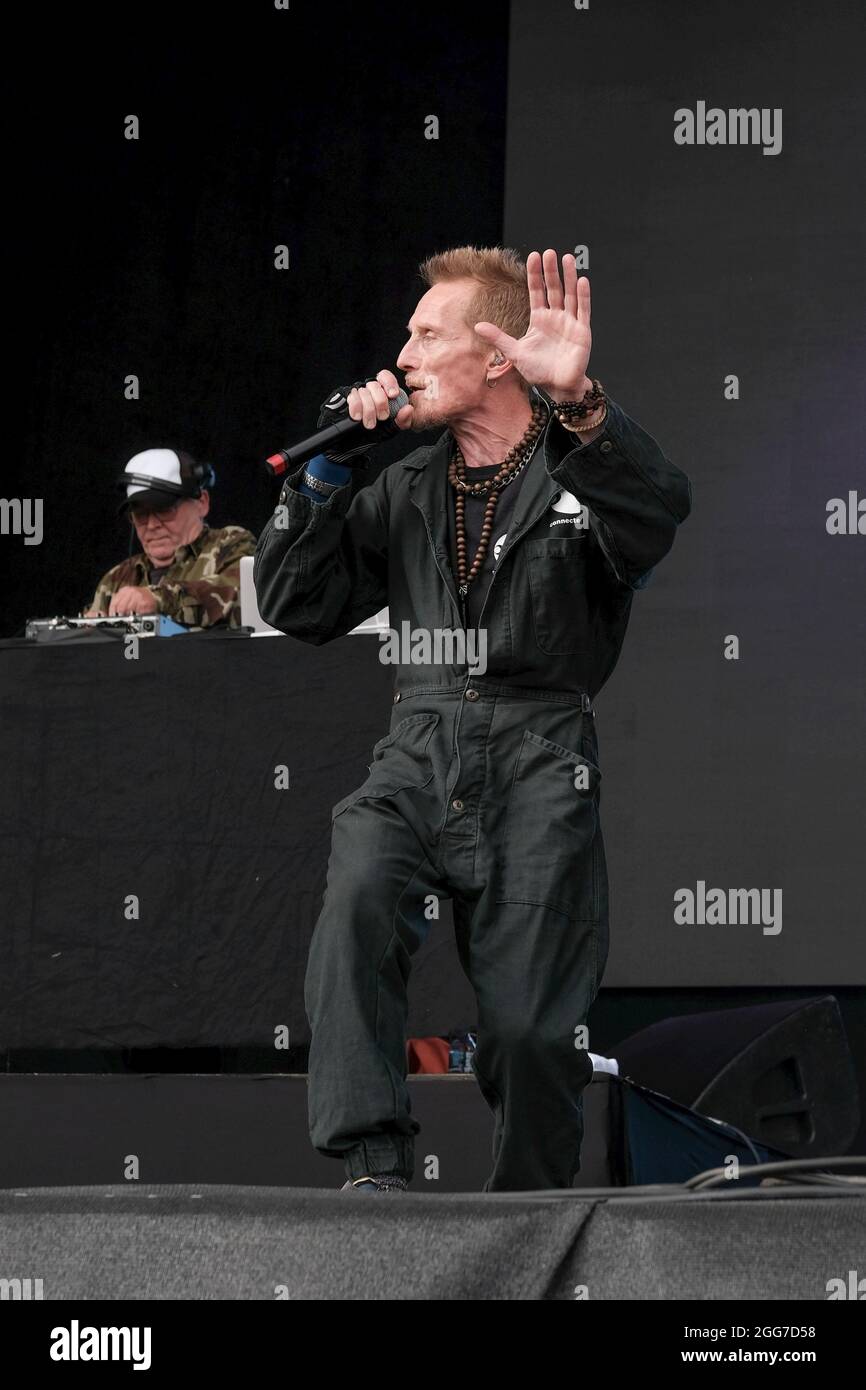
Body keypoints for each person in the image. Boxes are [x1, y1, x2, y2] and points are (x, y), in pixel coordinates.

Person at [254, 246, 692, 1192]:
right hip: (419, 741)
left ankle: (526, 1215)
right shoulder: (405, 486)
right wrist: (327, 470)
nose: (403, 354)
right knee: (358, 901)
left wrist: (582, 405)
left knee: (533, 1032)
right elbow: (299, 604)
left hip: (540, 752)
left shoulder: (581, 471)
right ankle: (373, 1165)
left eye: (426, 334)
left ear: (496, 354)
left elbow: (661, 511)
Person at [84, 447, 256, 628]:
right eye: (140, 514)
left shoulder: (232, 545)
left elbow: (241, 594)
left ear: (202, 503)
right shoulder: (116, 579)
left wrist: (158, 600)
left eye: (164, 509)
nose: (151, 525)